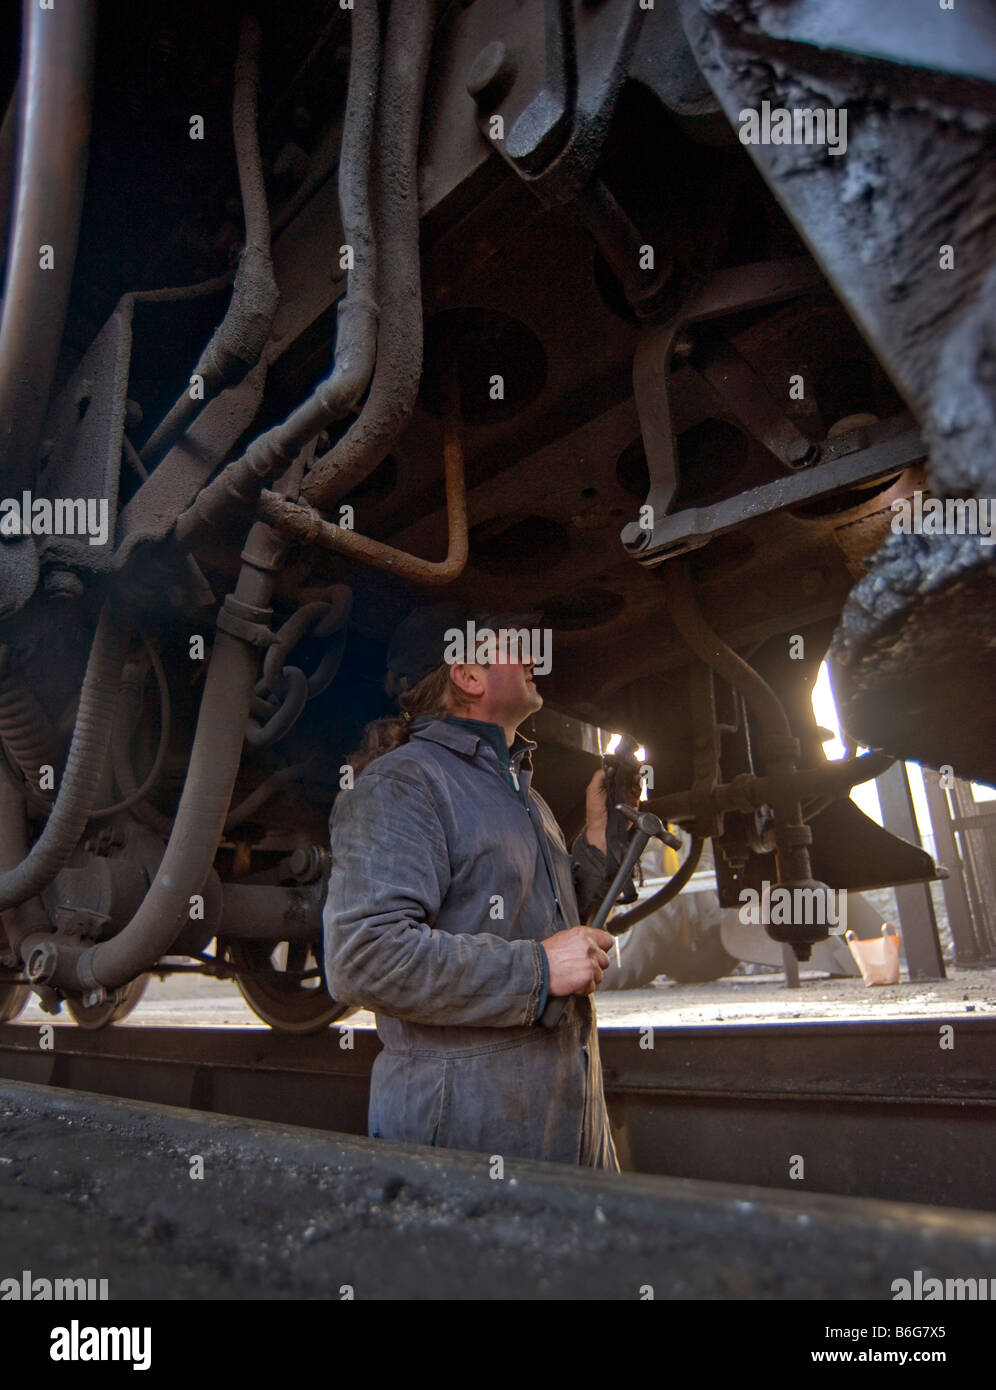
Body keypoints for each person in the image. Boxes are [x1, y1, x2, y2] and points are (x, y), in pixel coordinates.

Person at [323, 603, 621, 1168]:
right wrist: (537, 969)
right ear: (467, 675)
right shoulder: (402, 783)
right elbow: (363, 957)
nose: (534, 658)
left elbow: (547, 934)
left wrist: (599, 841)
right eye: (513, 646)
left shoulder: (523, 795)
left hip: (566, 1125)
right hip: (463, 1140)